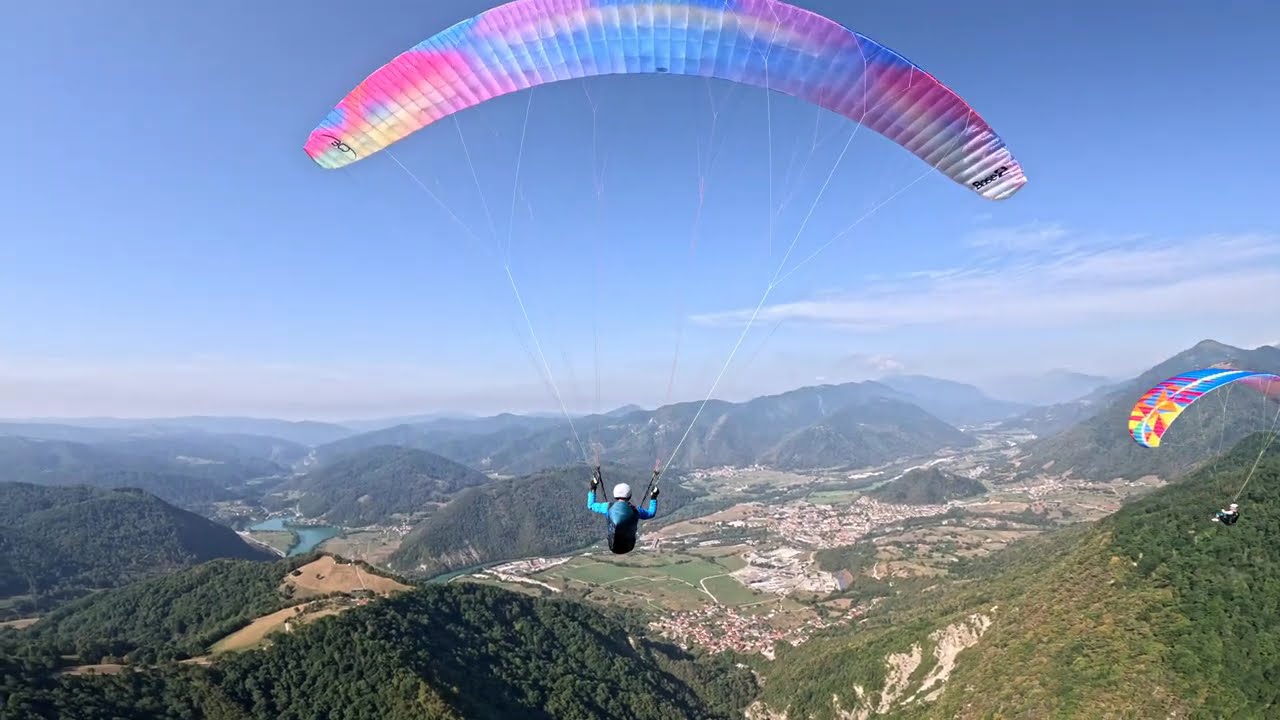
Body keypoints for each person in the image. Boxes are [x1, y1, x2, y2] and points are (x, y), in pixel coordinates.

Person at [587, 467, 658, 554]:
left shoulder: (607, 507)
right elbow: (651, 513)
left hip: (613, 546)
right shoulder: (636, 510)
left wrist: (593, 488)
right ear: (630, 496)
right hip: (629, 546)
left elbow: (591, 505)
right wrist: (653, 497)